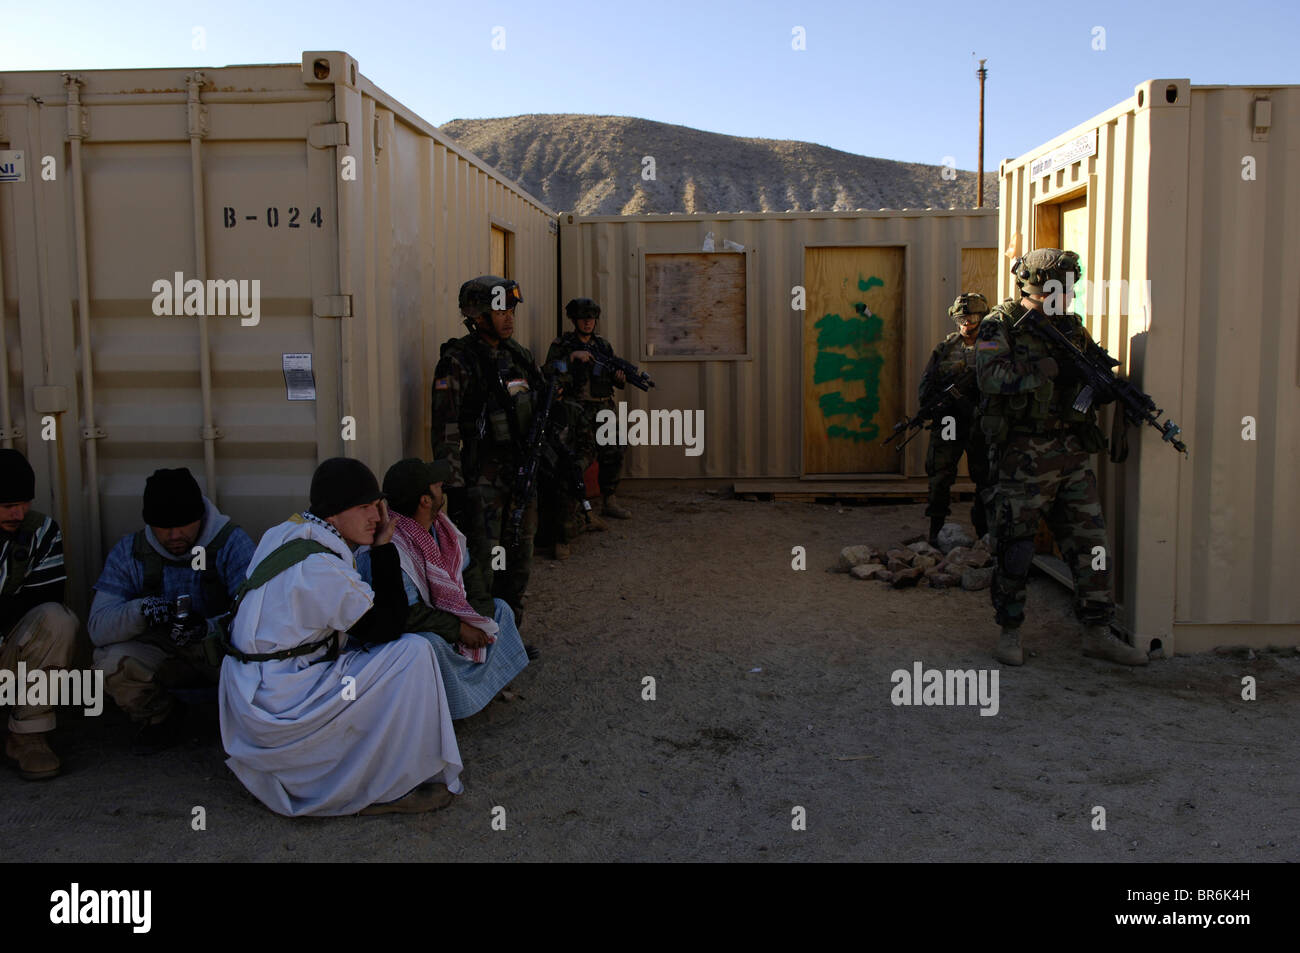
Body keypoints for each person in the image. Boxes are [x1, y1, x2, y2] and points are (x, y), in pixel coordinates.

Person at [219, 457, 463, 817]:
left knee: (378, 653)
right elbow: (390, 626)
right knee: (413, 653)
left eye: (377, 507)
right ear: (332, 514)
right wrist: (382, 548)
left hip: (251, 693)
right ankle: (386, 786)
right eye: (364, 508)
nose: (377, 518)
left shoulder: (287, 532)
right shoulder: (320, 568)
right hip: (278, 704)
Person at [975, 248, 1147, 668]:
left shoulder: (1071, 327)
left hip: (1070, 452)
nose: (1065, 299)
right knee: (1016, 545)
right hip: (1022, 454)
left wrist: (1107, 385)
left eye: (1069, 290)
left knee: (1093, 546)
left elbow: (1090, 371)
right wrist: (1048, 369)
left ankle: (1097, 632)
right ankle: (1010, 633)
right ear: (1034, 286)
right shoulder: (999, 324)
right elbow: (990, 377)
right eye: (1057, 291)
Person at [89, 467, 255, 752]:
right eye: (164, 527)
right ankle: (160, 716)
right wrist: (142, 611)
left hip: (219, 653)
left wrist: (207, 627)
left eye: (184, 525)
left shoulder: (232, 543)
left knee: (261, 661)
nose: (175, 535)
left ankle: (249, 725)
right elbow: (98, 628)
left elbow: (259, 617)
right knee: (107, 662)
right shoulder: (130, 551)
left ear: (201, 517)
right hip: (162, 653)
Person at [358, 458, 530, 720]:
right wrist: (461, 629)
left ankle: (483, 690)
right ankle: (451, 710)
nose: (442, 487)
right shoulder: (394, 545)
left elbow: (470, 576)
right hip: (420, 628)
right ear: (425, 500)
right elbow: (409, 614)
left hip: (452, 617)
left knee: (501, 610)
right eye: (436, 485)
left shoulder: (444, 529)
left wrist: (480, 621)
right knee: (429, 643)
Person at [431, 275, 545, 628]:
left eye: (511, 309)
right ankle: (482, 642)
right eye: (500, 310)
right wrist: (452, 485)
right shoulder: (458, 361)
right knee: (482, 565)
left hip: (521, 475)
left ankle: (509, 634)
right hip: (481, 482)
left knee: (519, 558)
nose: (509, 317)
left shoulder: (519, 356)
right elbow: (445, 426)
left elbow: (539, 405)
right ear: (478, 315)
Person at [0, 449, 78, 779]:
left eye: (24, 502)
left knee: (57, 620)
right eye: (6, 505)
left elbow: (41, 604)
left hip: (8, 648)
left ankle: (28, 734)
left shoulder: (41, 532)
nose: (18, 513)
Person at [546, 297, 631, 523]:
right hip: (576, 409)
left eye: (591, 319)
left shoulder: (603, 346)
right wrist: (571, 357)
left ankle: (609, 500)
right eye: (583, 319)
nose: (588, 323)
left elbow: (613, 376)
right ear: (574, 320)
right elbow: (550, 370)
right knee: (575, 456)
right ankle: (571, 507)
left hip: (603, 406)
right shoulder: (562, 345)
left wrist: (620, 379)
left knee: (614, 449)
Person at [920, 293, 993, 545]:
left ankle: (984, 530)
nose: (966, 323)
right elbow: (927, 385)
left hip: (981, 423)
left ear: (982, 317)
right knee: (940, 473)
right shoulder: (945, 348)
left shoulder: (994, 346)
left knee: (985, 477)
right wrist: (935, 405)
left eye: (971, 317)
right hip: (950, 421)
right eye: (961, 318)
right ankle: (936, 528)